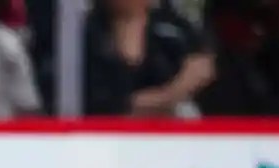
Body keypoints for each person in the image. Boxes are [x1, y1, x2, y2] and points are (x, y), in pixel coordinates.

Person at [82, 0, 216, 117]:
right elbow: (109, 107)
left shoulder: (173, 27)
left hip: (173, 137)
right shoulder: (85, 35)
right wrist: (172, 95)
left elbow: (202, 68)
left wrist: (166, 97)